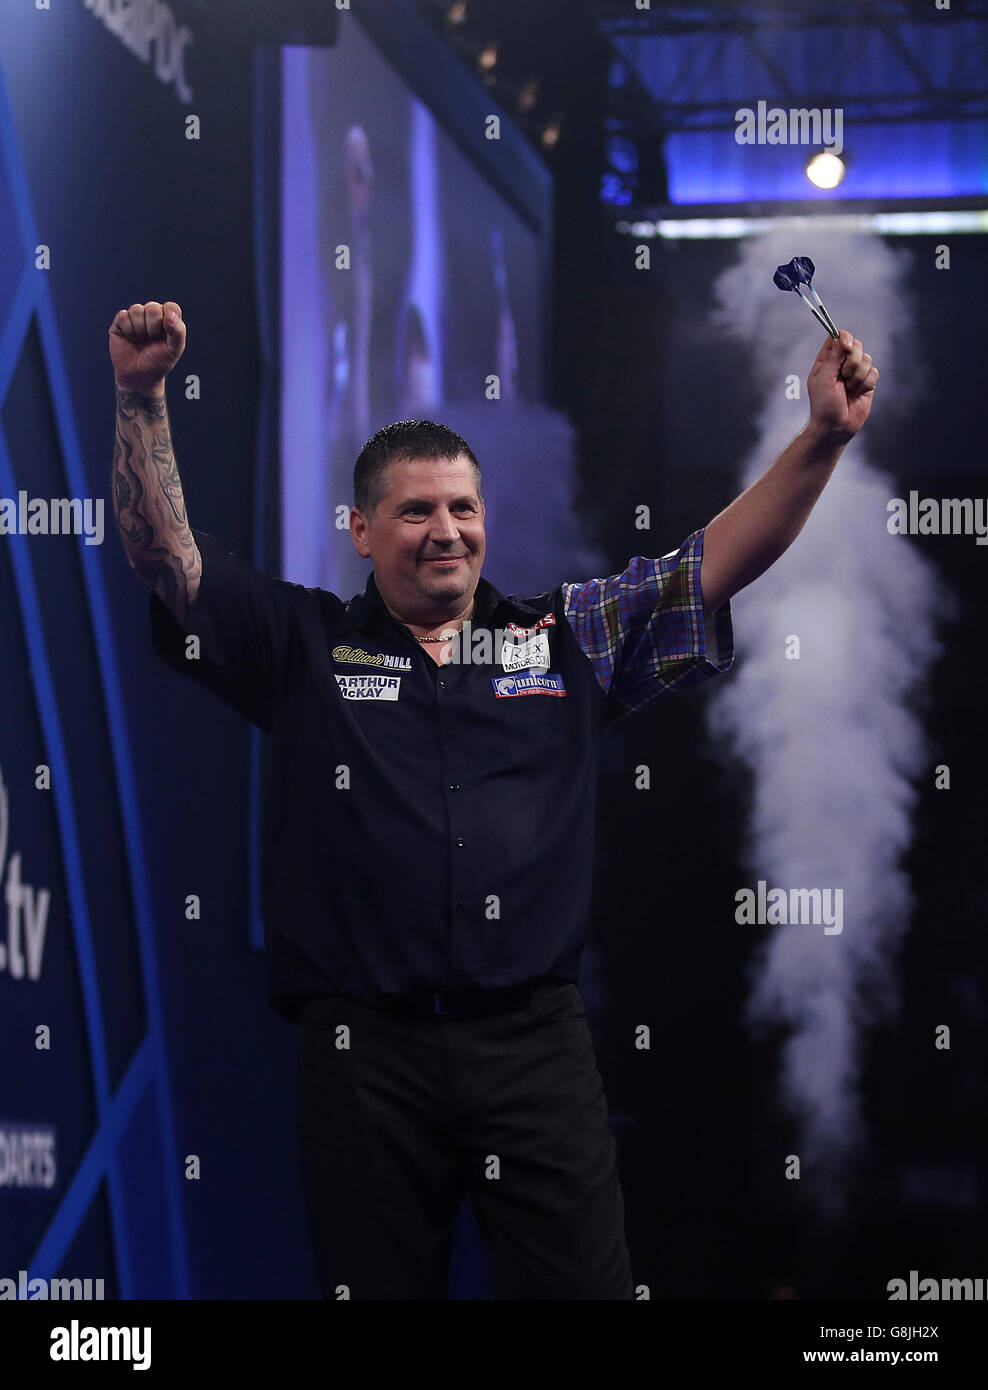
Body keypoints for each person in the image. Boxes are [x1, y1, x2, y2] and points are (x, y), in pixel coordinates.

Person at [108, 299, 878, 1300]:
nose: (445, 532)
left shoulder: (562, 638)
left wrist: (819, 438)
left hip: (533, 1049)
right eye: (416, 510)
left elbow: (710, 566)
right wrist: (140, 395)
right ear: (360, 530)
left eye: (462, 509)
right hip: (363, 1056)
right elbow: (168, 561)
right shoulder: (300, 644)